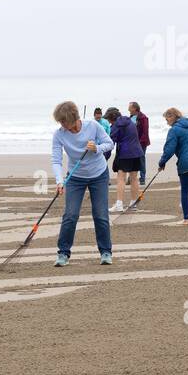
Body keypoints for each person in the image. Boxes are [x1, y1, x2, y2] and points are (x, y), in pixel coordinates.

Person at [50, 100, 114, 267]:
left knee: (100, 215)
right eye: (60, 122)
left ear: (73, 118)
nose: (61, 124)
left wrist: (97, 148)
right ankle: (63, 253)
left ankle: (106, 252)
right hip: (75, 177)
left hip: (99, 175)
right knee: (70, 215)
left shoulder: (92, 126)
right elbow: (56, 160)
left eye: (63, 121)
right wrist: (59, 181)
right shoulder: (59, 134)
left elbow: (109, 144)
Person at [105, 107, 143, 213]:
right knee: (134, 178)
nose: (108, 121)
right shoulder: (130, 121)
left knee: (121, 178)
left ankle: (119, 204)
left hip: (125, 154)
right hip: (137, 152)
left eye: (108, 119)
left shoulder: (116, 126)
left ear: (112, 118)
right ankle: (133, 203)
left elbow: (110, 143)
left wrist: (105, 157)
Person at [128, 101, 151, 186]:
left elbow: (145, 132)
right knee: (131, 159)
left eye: (130, 107)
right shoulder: (130, 117)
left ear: (134, 108)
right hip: (131, 142)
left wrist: (140, 142)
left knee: (141, 159)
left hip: (141, 143)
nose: (128, 109)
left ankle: (142, 178)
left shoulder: (143, 118)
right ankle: (130, 178)